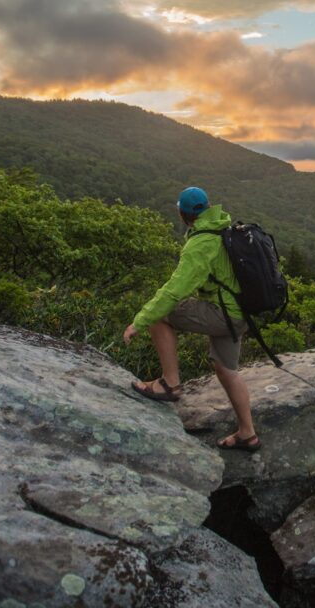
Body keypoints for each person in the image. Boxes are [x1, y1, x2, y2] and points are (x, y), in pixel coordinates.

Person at [122, 186, 261, 452]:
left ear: (182, 214)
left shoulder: (201, 244)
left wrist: (139, 321)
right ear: (208, 207)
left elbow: (174, 291)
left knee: (161, 315)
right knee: (227, 371)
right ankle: (248, 434)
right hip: (240, 313)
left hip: (222, 313)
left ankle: (169, 384)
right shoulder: (224, 228)